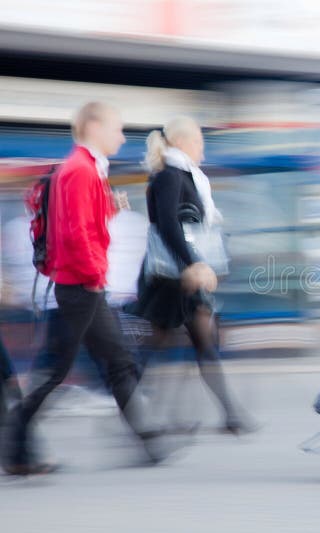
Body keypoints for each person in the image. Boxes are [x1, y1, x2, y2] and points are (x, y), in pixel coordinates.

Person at [2, 102, 179, 475]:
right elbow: (75, 233)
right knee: (68, 368)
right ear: (94, 127)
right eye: (117, 128)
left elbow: (82, 223)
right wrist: (96, 273)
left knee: (111, 362)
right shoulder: (81, 170)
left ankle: (150, 442)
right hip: (81, 286)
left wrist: (109, 210)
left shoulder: (85, 169)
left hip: (81, 285)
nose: (121, 137)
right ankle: (15, 440)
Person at [126, 116, 253, 435]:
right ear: (182, 142)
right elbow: (168, 226)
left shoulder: (186, 176)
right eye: (198, 142)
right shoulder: (169, 176)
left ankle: (231, 415)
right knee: (156, 346)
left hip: (182, 276)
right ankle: (129, 406)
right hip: (171, 277)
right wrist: (193, 264)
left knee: (201, 342)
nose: (202, 150)